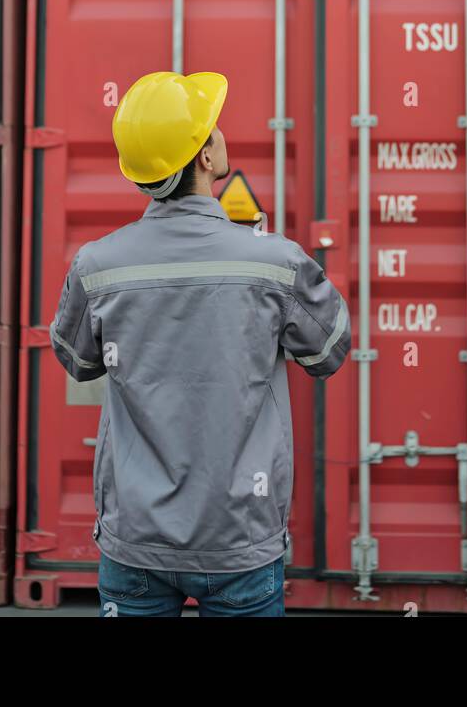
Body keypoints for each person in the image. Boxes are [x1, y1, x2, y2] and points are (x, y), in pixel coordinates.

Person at [49, 70, 351, 617]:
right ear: (207, 158)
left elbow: (76, 360)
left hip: (135, 538)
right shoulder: (275, 261)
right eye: (213, 127)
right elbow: (328, 350)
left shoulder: (96, 265)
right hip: (239, 537)